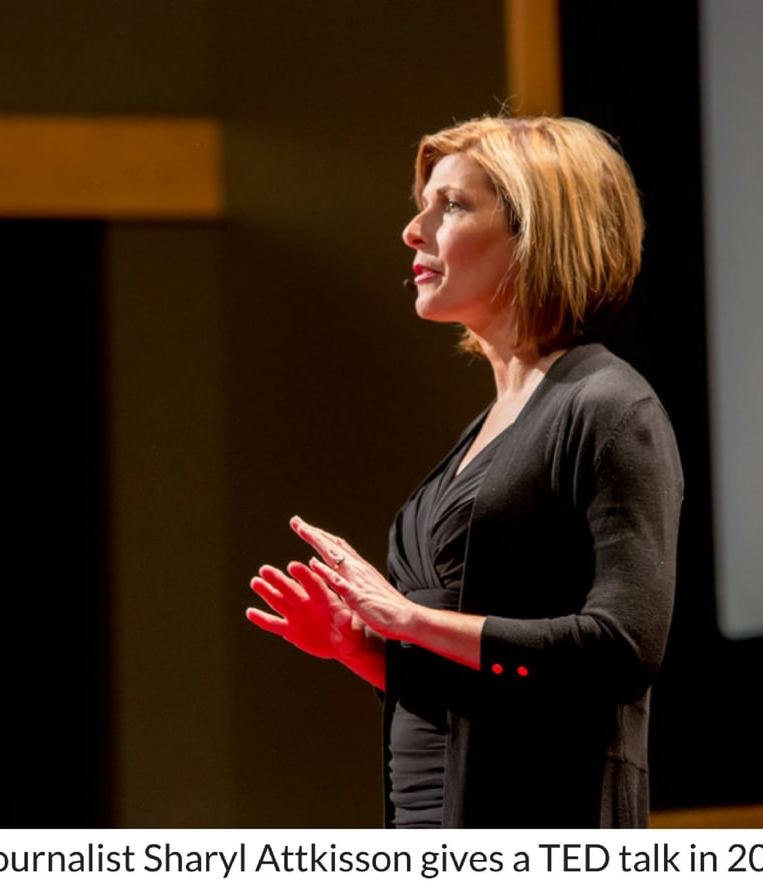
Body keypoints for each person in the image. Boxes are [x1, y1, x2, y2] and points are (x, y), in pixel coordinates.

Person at [246, 115, 683, 828]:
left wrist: (410, 620)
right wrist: (361, 646)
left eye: (450, 205)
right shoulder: (484, 429)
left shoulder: (608, 408)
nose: (412, 231)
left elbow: (622, 650)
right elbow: (477, 688)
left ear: (537, 233)